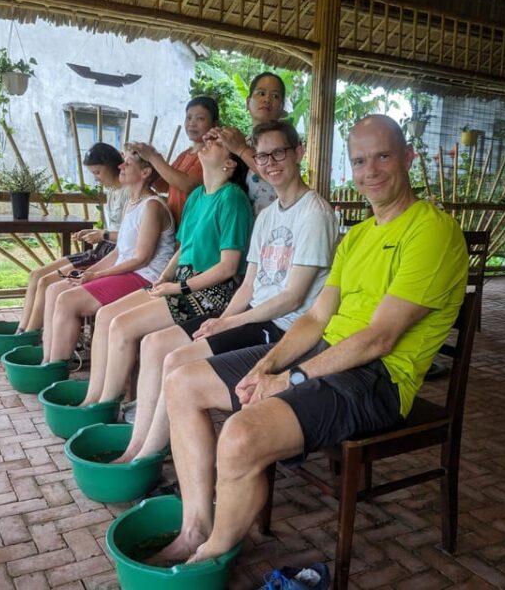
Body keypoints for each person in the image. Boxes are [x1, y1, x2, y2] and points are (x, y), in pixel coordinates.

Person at [157, 114, 469, 564]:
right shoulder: (358, 236)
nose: (371, 171)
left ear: (408, 157)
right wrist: (269, 365)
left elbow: (380, 339)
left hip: (380, 379)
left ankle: (212, 557)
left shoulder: (431, 231)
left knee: (242, 436)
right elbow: (316, 317)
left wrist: (292, 379)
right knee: (182, 382)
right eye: (360, 161)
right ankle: (195, 527)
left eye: (383, 156)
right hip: (327, 355)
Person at [112, 120, 338, 463]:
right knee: (167, 353)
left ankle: (144, 457)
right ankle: (138, 448)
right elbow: (249, 285)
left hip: (286, 331)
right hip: (256, 320)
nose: (270, 163)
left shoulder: (315, 213)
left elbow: (292, 297)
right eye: (262, 157)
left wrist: (231, 322)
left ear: (299, 153)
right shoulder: (267, 216)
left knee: (177, 364)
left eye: (279, 152)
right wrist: (223, 321)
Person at [79, 133, 254, 407]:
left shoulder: (232, 199)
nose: (207, 144)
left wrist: (178, 287)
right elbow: (184, 248)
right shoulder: (197, 196)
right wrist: (163, 279)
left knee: (124, 326)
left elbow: (228, 267)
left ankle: (104, 406)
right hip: (182, 282)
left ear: (230, 165)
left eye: (217, 145)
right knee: (108, 316)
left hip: (212, 291)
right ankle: (96, 396)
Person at [40, 145, 175, 363]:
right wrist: (88, 273)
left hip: (146, 276)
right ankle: (47, 361)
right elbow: (120, 252)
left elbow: (141, 258)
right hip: (130, 271)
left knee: (67, 300)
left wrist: (98, 276)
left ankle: (54, 370)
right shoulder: (132, 202)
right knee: (58, 288)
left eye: (128, 163)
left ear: (145, 172)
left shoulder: (152, 206)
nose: (120, 165)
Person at [18, 143, 127, 333]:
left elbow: (132, 237)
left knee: (45, 282)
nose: (96, 178)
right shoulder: (112, 191)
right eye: (93, 173)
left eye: (98, 173)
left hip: (110, 255)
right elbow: (115, 228)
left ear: (113, 166)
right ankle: (21, 330)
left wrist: (103, 234)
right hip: (101, 249)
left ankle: (29, 335)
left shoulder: (129, 193)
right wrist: (95, 234)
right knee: (36, 275)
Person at [208, 72, 287, 214]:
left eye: (275, 96)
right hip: (240, 226)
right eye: (261, 93)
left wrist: (241, 149)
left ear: (281, 109)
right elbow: (224, 175)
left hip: (271, 228)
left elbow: (275, 174)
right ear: (248, 102)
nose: (267, 99)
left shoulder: (286, 141)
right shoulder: (243, 140)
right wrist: (214, 149)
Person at [130, 96, 217, 225]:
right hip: (175, 224)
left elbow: (187, 185)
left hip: (192, 226)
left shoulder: (211, 154)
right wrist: (144, 166)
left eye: (200, 118)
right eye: (188, 117)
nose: (192, 123)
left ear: (214, 124)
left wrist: (153, 157)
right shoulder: (184, 154)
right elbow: (164, 186)